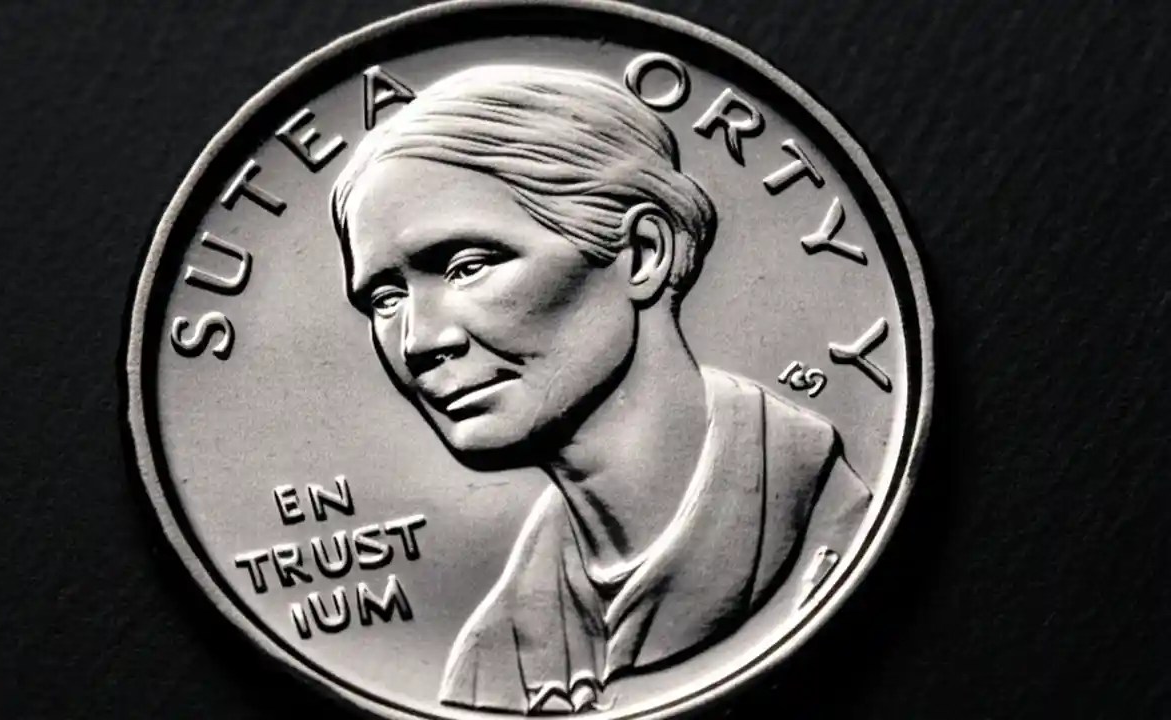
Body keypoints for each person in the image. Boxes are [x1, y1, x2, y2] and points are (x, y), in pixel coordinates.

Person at [329, 65, 871, 714]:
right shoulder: (493, 659)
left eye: (467, 266)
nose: (418, 342)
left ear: (644, 254)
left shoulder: (832, 528)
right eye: (385, 299)